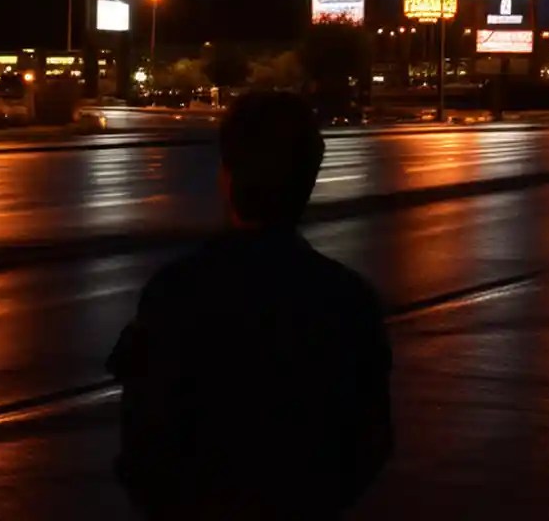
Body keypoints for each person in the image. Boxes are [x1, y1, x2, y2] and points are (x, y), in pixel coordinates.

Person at [107, 91, 393, 520]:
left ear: (227, 177)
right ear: (309, 181)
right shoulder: (348, 301)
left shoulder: (176, 293)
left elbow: (144, 439)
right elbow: (369, 441)